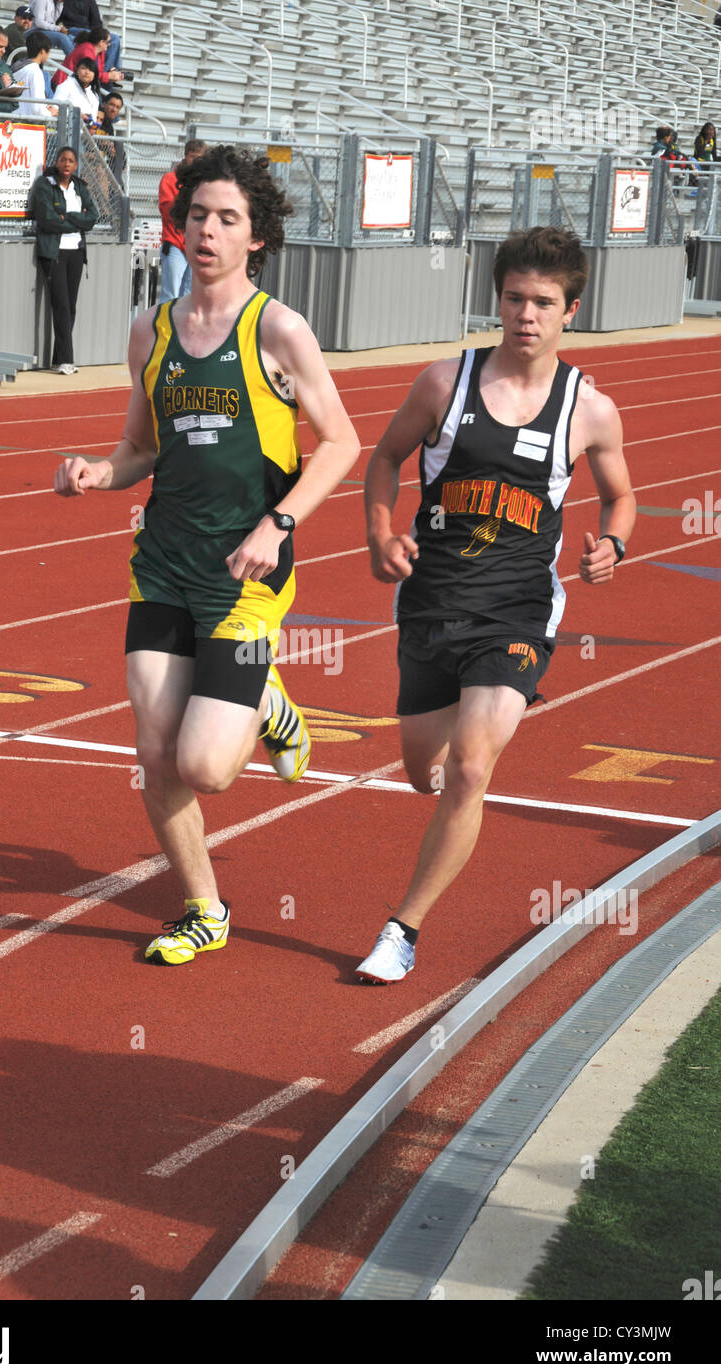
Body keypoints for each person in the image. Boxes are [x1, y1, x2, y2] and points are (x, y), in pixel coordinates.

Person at [53, 144, 360, 966]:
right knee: (155, 757)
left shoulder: (279, 330)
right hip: (161, 562)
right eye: (197, 216)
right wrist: (96, 472)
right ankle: (203, 910)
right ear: (178, 226)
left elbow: (339, 443)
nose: (209, 231)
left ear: (256, 237)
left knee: (208, 768)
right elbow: (138, 447)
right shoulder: (150, 329)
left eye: (228, 219)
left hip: (244, 576)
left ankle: (269, 703)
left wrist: (279, 525)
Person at [355, 225, 636, 984]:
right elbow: (382, 459)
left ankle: (401, 929)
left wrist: (612, 544)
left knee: (471, 770)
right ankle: (437, 765)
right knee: (425, 770)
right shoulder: (442, 384)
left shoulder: (588, 409)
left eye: (543, 302)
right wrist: (381, 533)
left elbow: (621, 497)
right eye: (514, 298)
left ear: (569, 310)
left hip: (516, 613)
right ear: (498, 299)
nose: (526, 315)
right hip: (429, 606)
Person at [30, 146, 97, 374]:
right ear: (56, 162)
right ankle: (67, 360)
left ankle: (59, 359)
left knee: (70, 306)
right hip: (54, 253)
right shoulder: (44, 185)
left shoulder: (80, 186)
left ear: (76, 165)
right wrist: (77, 221)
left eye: (71, 160)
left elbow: (93, 216)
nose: (67, 164)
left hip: (76, 252)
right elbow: (47, 220)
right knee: (61, 305)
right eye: (63, 160)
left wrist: (68, 217)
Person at [158, 139, 206, 303]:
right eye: (194, 157)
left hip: (194, 245)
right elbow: (168, 211)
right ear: (186, 157)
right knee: (170, 295)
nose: (196, 161)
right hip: (174, 244)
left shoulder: (202, 183)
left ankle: (182, 329)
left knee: (189, 297)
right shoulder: (170, 179)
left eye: (200, 158)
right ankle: (164, 328)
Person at [51, 26, 123, 93]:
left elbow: (97, 72)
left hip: (75, 84)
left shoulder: (100, 52)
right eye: (108, 42)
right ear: (101, 42)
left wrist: (110, 74)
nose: (109, 44)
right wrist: (108, 76)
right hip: (62, 84)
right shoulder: (86, 50)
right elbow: (89, 73)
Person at [58, 0, 121, 71]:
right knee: (88, 41)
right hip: (70, 30)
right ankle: (99, 76)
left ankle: (107, 73)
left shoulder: (90, 1)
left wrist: (98, 34)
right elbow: (58, 19)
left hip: (89, 32)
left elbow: (97, 22)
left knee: (115, 39)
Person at [15, 31, 56, 119]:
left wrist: (44, 107)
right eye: (48, 51)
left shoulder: (18, 67)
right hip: (26, 122)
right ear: (42, 51)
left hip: (15, 116)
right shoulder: (35, 71)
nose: (49, 55)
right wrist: (51, 113)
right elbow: (37, 109)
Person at [54, 56, 100, 123]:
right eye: (83, 68)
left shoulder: (94, 95)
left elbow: (93, 119)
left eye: (91, 70)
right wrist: (78, 115)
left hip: (84, 132)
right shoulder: (66, 85)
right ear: (77, 70)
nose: (87, 72)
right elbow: (54, 108)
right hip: (65, 130)